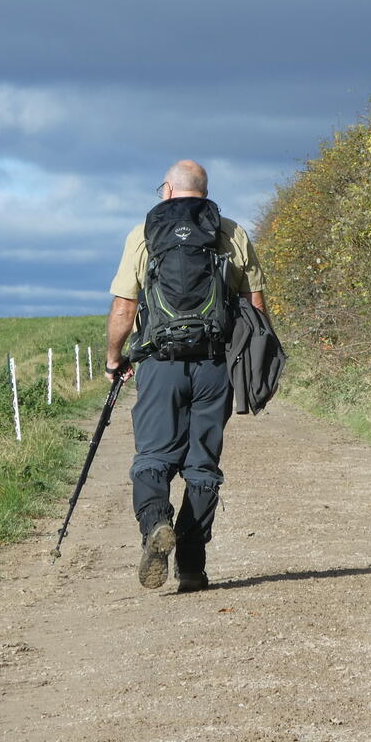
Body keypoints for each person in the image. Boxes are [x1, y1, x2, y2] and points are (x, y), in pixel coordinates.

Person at [105, 160, 267, 592]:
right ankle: (192, 566)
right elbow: (257, 307)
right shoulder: (231, 233)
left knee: (154, 457)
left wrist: (114, 357)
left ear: (168, 191)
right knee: (202, 465)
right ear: (204, 191)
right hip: (215, 365)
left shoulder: (144, 234)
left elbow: (125, 308)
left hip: (160, 364)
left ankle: (157, 523)